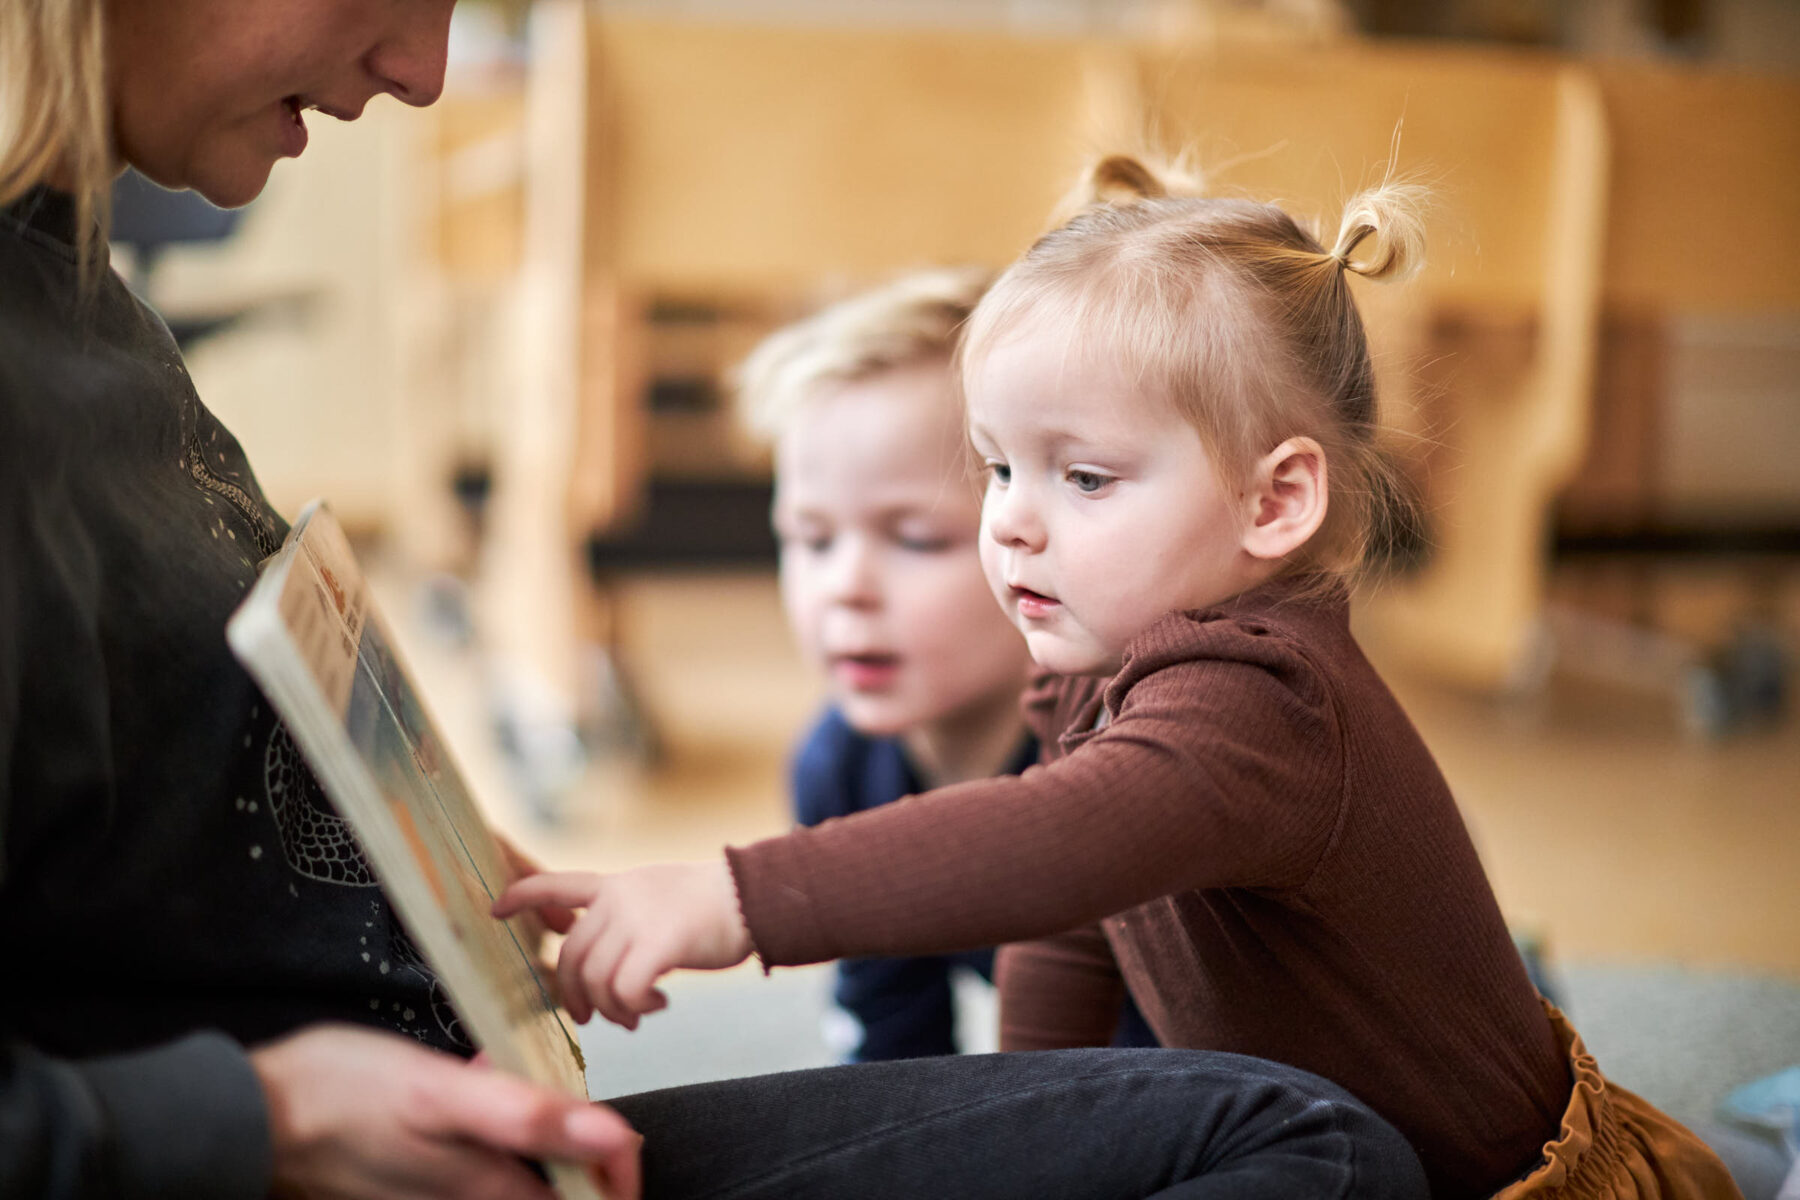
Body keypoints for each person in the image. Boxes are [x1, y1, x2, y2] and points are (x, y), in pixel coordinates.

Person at [1, 4, 1429, 1198]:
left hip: (489, 1118)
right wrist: (262, 1122)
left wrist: (424, 858)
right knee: (1318, 1145)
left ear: (1277, 500)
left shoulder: (67, 274)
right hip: (356, 1153)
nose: (427, 70)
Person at [497, 155, 1745, 1199]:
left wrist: (730, 898)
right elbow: (1067, 938)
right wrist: (1041, 1139)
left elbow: (1051, 844)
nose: (1014, 526)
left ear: (1277, 501)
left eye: (1082, 479)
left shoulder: (1263, 698)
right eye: (996, 470)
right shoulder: (1103, 671)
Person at [739, 267, 1157, 1060]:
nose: (844, 588)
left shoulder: (1129, 765)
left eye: (916, 539)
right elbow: (890, 1055)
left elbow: (1182, 1078)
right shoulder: (842, 770)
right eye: (811, 538)